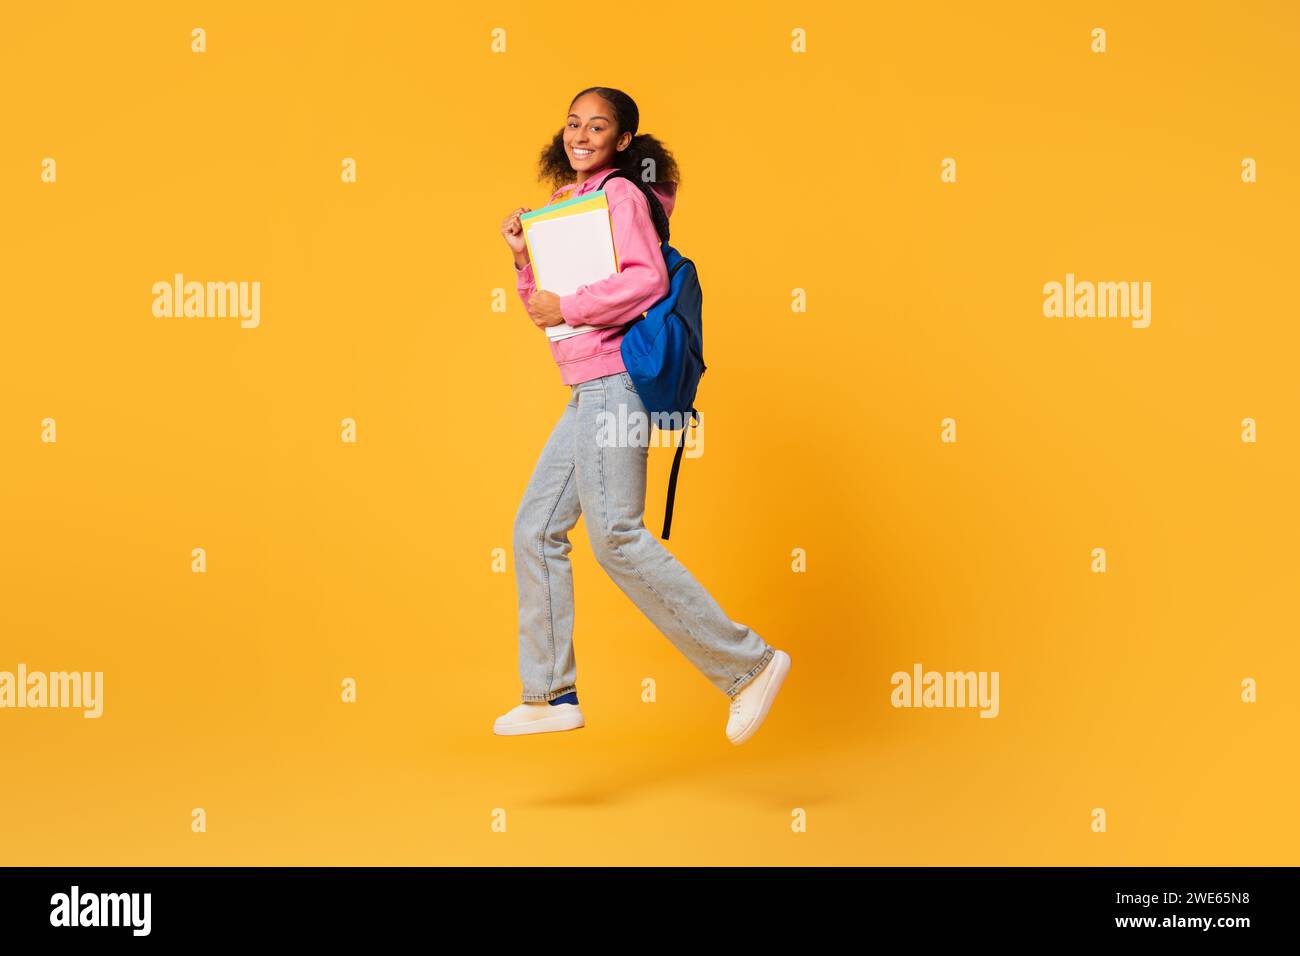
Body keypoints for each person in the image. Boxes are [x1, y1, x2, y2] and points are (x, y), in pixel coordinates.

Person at [494, 86, 790, 744]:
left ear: (622, 142)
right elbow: (547, 310)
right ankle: (549, 695)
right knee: (534, 530)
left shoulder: (622, 195)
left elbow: (646, 280)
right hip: (586, 388)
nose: (581, 134)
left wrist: (566, 305)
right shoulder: (564, 205)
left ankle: (750, 665)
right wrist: (522, 260)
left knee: (617, 539)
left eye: (597, 127)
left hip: (614, 384)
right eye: (573, 122)